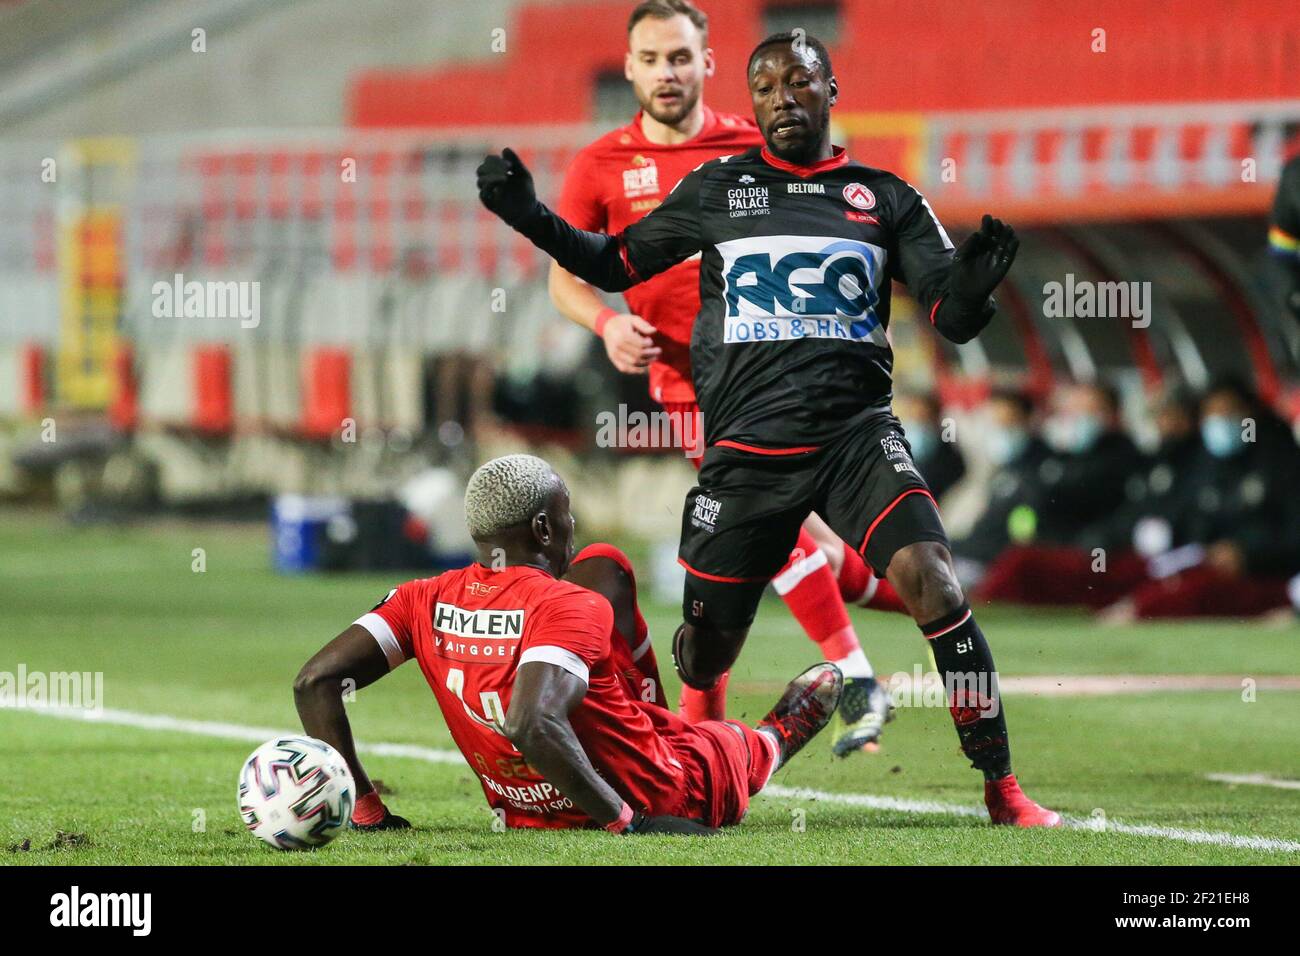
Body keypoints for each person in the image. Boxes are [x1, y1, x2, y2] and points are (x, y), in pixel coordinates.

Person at [477, 32, 1059, 825]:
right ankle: (667, 713)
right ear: (751, 103)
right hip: (746, 453)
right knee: (706, 648)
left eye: (800, 81)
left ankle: (1003, 789)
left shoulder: (884, 196)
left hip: (858, 438)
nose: (783, 97)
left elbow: (949, 318)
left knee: (937, 581)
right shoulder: (719, 187)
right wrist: (527, 215)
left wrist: (975, 292)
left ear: (832, 89)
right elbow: (613, 264)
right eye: (766, 87)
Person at [548, 0, 895, 752]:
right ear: (631, 66)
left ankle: (842, 684)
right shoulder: (599, 165)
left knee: (759, 537)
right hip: (684, 383)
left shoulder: (758, 142)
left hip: (779, 376)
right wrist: (607, 324)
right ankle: (879, 655)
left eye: (680, 56)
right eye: (651, 58)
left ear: (707, 64)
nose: (667, 72)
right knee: (788, 541)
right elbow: (567, 279)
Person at [294, 454, 843, 833]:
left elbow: (315, 682)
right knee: (738, 746)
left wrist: (367, 811)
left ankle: (657, 719)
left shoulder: (421, 598)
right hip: (655, 792)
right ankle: (771, 738)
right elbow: (531, 722)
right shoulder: (568, 607)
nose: (572, 529)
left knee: (605, 565)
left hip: (525, 810)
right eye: (566, 518)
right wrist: (627, 821)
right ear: (543, 529)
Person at [1102, 377, 1300, 620]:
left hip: (1266, 572)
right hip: (1204, 562)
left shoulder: (1281, 464)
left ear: (1250, 414)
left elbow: (1291, 534)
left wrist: (1248, 554)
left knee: (1199, 588)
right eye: (1212, 414)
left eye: (1229, 412)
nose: (1220, 421)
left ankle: (1139, 610)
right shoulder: (1205, 464)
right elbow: (1194, 519)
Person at [893, 391, 966, 500]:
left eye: (922, 417)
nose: (916, 421)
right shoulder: (893, 451)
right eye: (912, 416)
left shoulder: (949, 456)